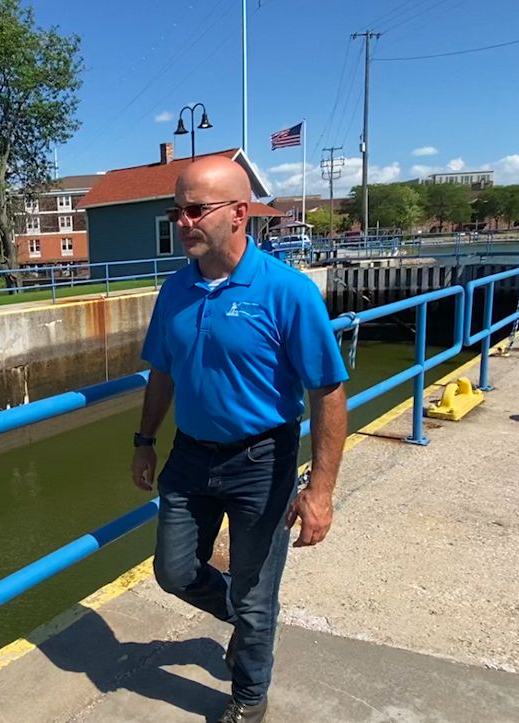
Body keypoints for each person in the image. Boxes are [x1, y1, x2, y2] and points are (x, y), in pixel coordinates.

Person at [130, 156, 348, 723]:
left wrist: (320, 490)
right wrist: (144, 439)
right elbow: (163, 373)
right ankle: (250, 624)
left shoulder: (287, 293)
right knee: (174, 572)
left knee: (255, 595)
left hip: (262, 460)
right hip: (190, 456)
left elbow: (327, 393)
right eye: (178, 210)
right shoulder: (175, 290)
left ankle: (249, 699)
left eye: (196, 210)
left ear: (239, 214)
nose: (183, 221)